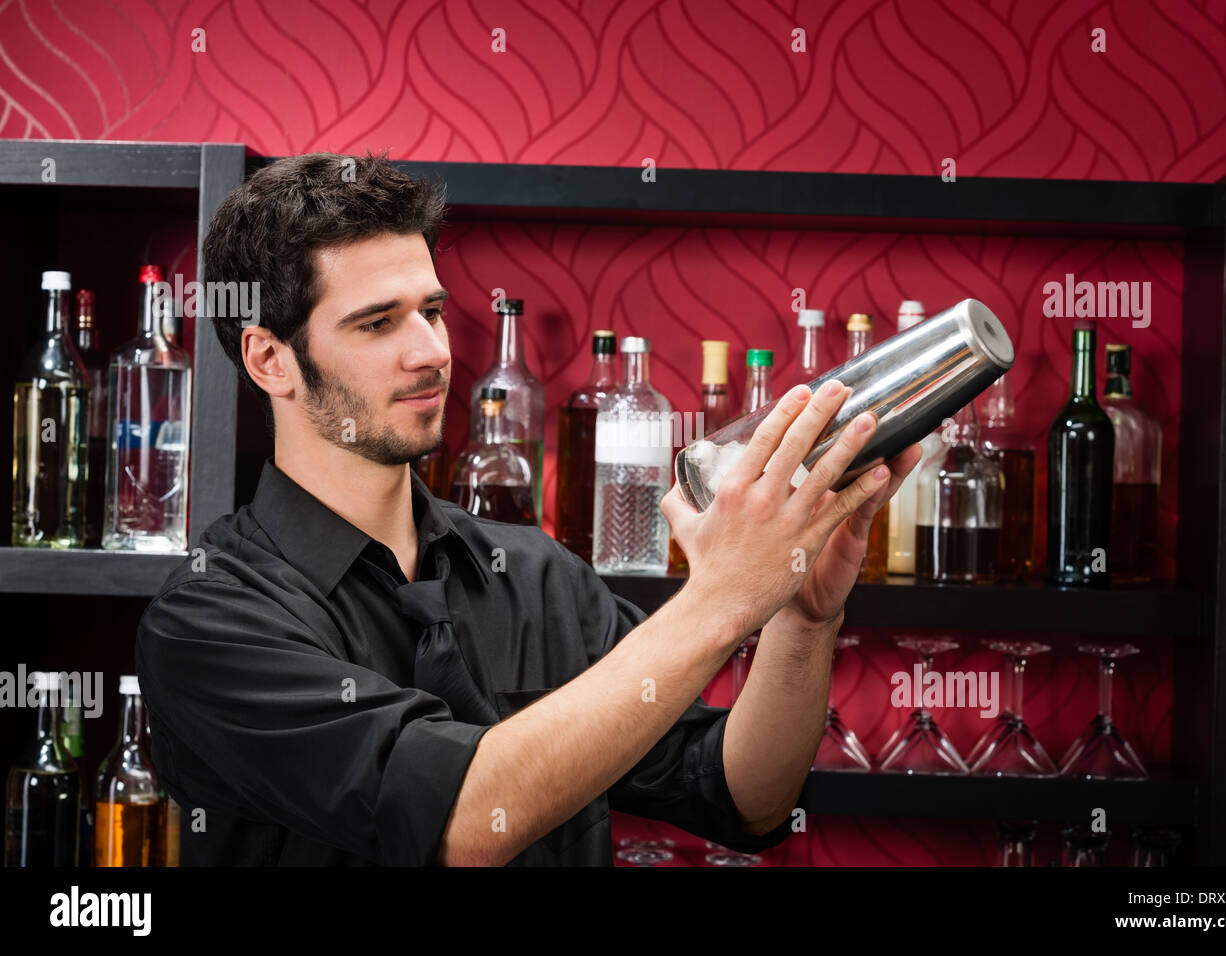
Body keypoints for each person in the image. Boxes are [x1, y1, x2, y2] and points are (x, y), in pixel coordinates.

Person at [135, 152, 922, 866]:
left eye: (432, 312)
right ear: (271, 359)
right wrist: (722, 597)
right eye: (378, 323)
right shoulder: (210, 622)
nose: (432, 352)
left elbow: (745, 798)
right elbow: (465, 819)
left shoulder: (538, 575)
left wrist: (800, 619)